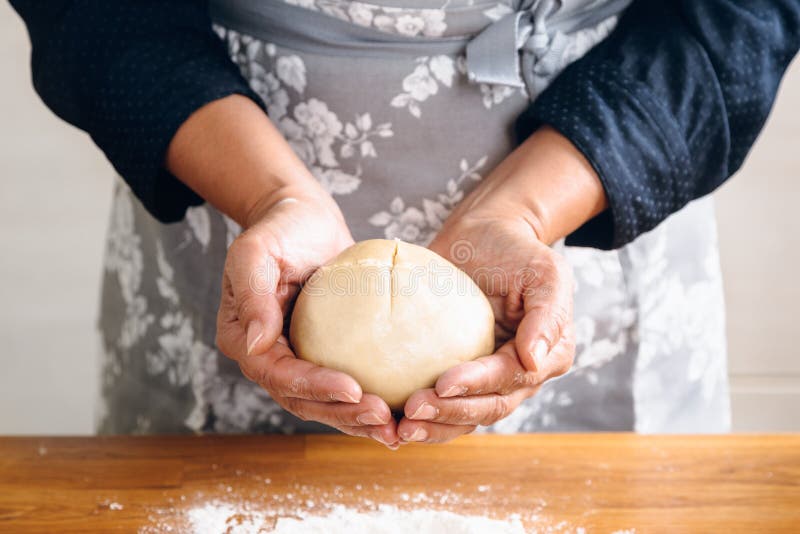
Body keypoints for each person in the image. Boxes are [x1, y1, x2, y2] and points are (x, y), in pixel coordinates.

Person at [10, 0, 799, 447]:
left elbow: (743, 14)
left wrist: (528, 209)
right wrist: (269, 195)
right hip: (223, 170)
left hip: (600, 173)